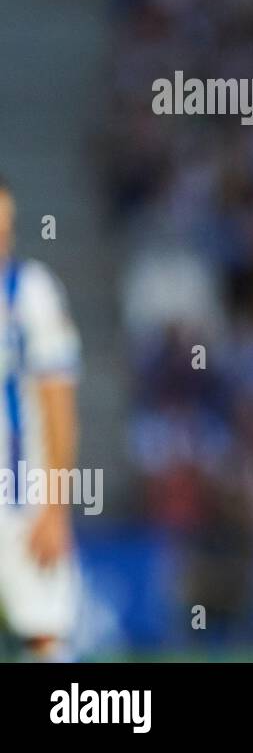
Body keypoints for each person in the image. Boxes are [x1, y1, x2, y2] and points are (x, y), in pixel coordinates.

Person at [0, 176, 83, 660]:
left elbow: (58, 402)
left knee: (45, 635)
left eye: (6, 227)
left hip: (19, 497)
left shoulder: (29, 291)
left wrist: (54, 507)